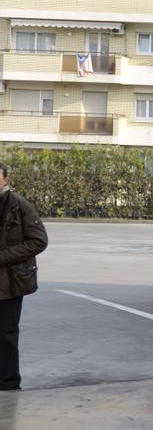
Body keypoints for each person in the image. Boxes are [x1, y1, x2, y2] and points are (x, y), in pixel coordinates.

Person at [0, 162, 47, 391]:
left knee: (6, 333)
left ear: (6, 178)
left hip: (11, 282)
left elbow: (39, 241)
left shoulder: (20, 206)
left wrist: (3, 256)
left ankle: (8, 382)